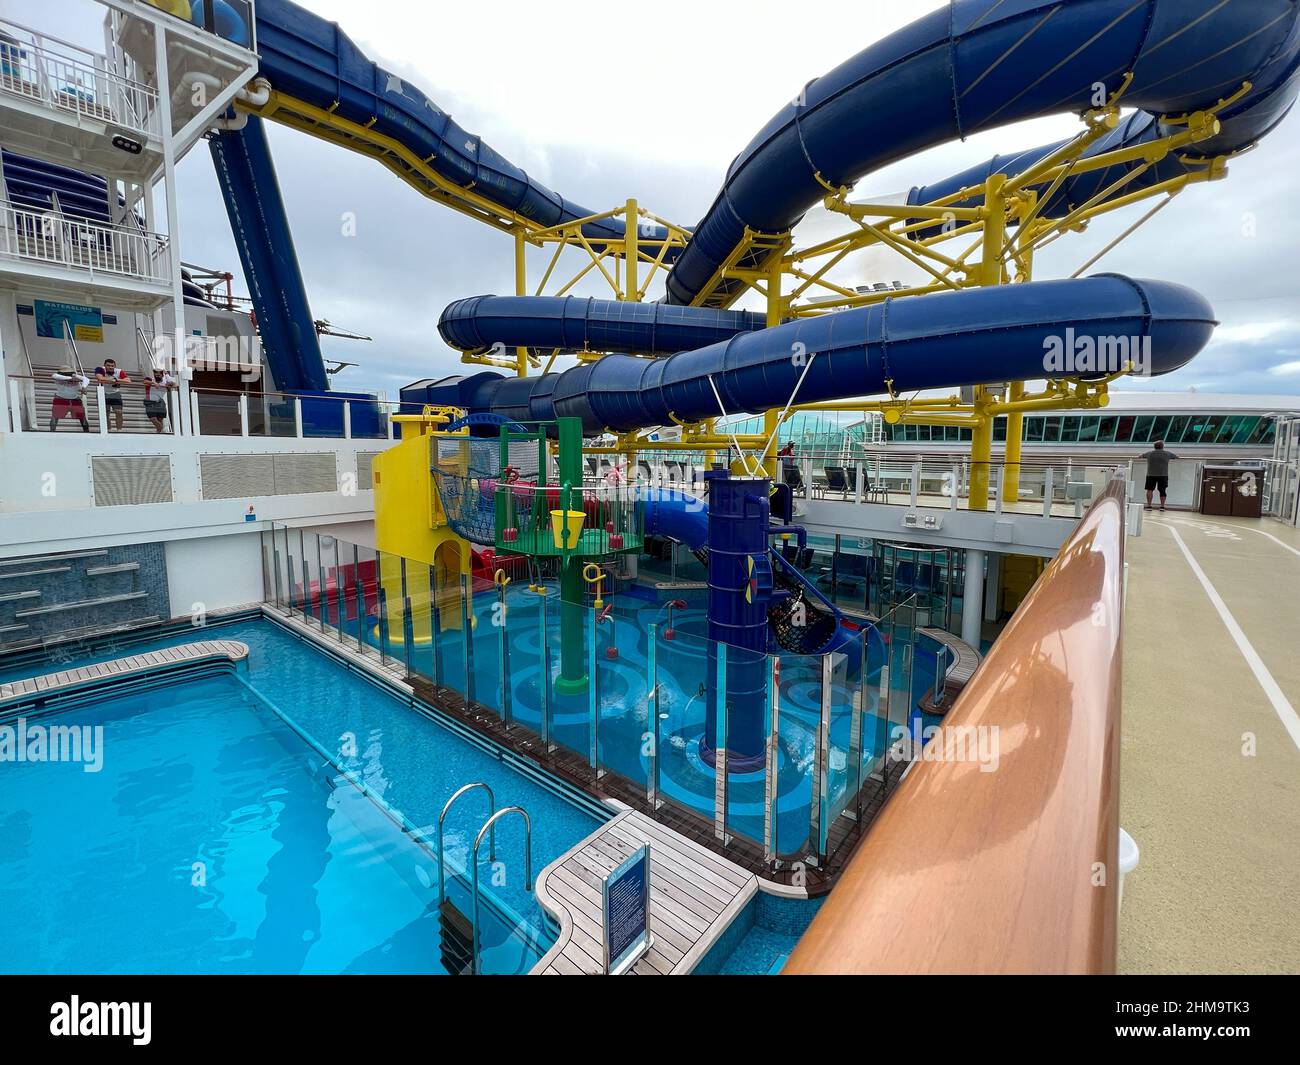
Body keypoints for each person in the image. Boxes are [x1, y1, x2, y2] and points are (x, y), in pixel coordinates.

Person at [1140, 439, 1178, 512]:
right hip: (1163, 475)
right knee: (1162, 490)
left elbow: (1140, 456)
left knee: (1149, 490)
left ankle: (1149, 506)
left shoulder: (1149, 453)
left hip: (1151, 474)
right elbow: (1177, 457)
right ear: (1162, 446)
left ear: (1154, 447)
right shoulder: (1167, 454)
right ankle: (1162, 506)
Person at [50, 365, 90, 432]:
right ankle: (52, 432)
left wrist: (83, 386)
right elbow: (54, 376)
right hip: (60, 399)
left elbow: (86, 379)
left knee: (82, 418)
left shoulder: (75, 376)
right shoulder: (57, 376)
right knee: (55, 417)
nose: (69, 374)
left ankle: (87, 432)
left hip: (75, 399)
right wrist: (70, 378)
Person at [93, 358, 129, 431]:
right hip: (103, 393)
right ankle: (109, 430)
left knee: (119, 412)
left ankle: (119, 430)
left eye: (112, 366)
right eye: (108, 365)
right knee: (105, 413)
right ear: (104, 365)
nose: (110, 367)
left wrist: (116, 380)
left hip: (115, 393)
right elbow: (100, 378)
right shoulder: (100, 369)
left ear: (114, 366)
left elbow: (128, 380)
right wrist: (111, 380)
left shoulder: (119, 371)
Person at [142, 366, 176, 433]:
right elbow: (145, 381)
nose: (157, 376)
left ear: (162, 375)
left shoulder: (165, 382)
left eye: (158, 375)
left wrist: (167, 375)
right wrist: (154, 383)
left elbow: (174, 384)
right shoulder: (150, 379)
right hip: (150, 401)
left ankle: (159, 433)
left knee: (160, 419)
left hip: (160, 402)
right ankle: (163, 430)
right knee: (153, 419)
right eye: (155, 375)